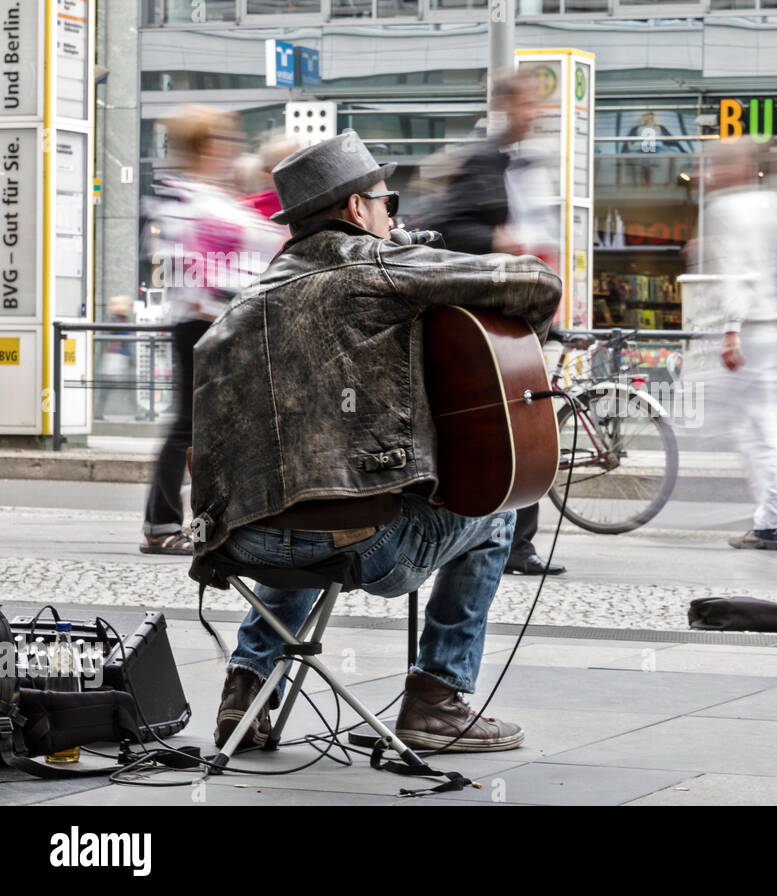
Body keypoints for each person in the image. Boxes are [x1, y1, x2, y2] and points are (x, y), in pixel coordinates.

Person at [190, 130, 561, 751]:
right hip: (366, 543)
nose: (396, 214)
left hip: (244, 546)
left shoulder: (244, 304)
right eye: (388, 202)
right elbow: (534, 282)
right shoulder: (378, 266)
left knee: (299, 503)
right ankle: (436, 698)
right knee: (497, 515)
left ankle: (247, 690)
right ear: (358, 209)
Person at [421, 73, 565, 577]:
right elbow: (446, 228)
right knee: (513, 425)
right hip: (492, 322)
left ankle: (515, 543)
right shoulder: (482, 160)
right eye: (528, 102)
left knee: (529, 422)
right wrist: (497, 239)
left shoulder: (534, 166)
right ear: (506, 107)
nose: (537, 111)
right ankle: (503, 540)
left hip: (524, 314)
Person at [140, 106, 281, 555]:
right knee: (189, 425)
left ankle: (220, 517)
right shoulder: (184, 197)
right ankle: (161, 524)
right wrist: (222, 298)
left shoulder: (216, 196)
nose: (233, 147)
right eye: (225, 138)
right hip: (202, 324)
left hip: (226, 322)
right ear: (205, 146)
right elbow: (188, 266)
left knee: (217, 426)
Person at [691, 138, 777, 550]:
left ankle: (771, 521)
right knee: (769, 429)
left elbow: (738, 272)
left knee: (750, 428)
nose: (712, 172)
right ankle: (773, 519)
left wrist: (731, 329)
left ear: (735, 167)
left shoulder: (724, 208)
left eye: (717, 164)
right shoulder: (776, 203)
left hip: (753, 327)